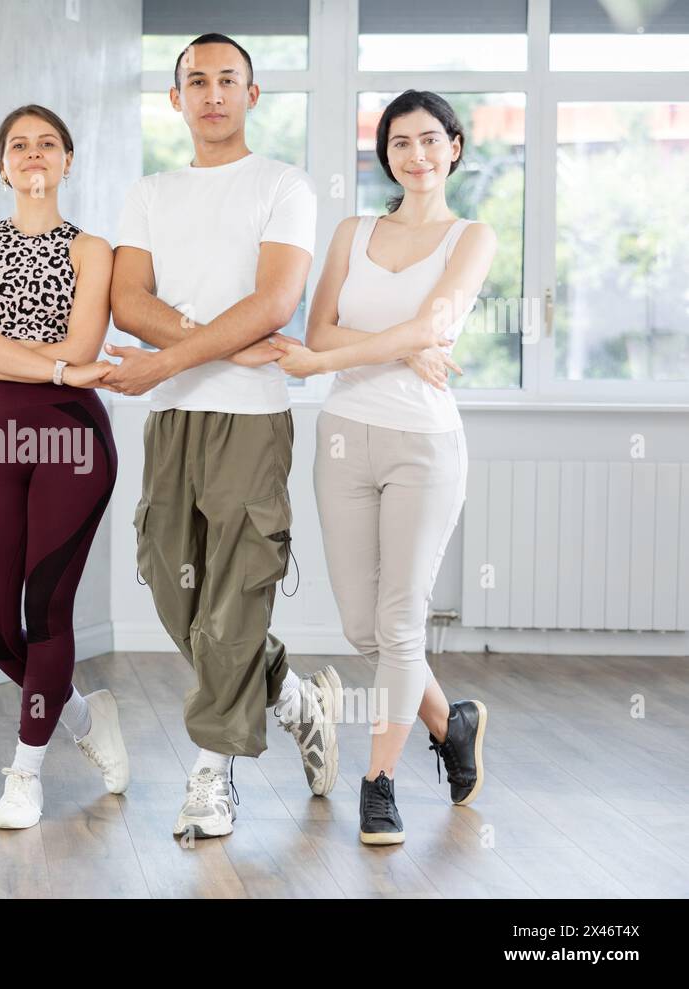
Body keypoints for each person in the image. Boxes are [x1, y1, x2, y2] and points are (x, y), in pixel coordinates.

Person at [107, 34, 341, 840]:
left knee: (237, 591)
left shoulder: (285, 185)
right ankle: (295, 697)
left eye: (228, 80)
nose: (211, 93)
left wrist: (171, 355)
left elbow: (276, 301)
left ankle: (212, 772)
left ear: (252, 95)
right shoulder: (150, 192)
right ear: (175, 99)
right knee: (177, 589)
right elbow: (126, 299)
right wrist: (208, 343)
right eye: (195, 81)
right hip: (171, 414)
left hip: (250, 413)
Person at [269, 90, 497, 845]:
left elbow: (435, 324)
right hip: (345, 436)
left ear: (454, 147)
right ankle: (451, 723)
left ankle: (380, 782)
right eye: (401, 143)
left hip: (423, 444)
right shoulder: (352, 230)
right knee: (364, 625)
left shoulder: (473, 235)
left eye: (431, 140)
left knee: (401, 621)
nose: (418, 155)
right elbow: (319, 324)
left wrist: (348, 354)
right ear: (386, 155)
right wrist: (398, 345)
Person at [0, 105, 125, 830]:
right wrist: (52, 366)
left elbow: (80, 349)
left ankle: (26, 772)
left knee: (45, 609)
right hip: (1, 434)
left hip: (74, 440)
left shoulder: (94, 249)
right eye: (18, 144)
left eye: (48, 143)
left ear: (68, 160)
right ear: (2, 164)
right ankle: (80, 713)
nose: (33, 153)